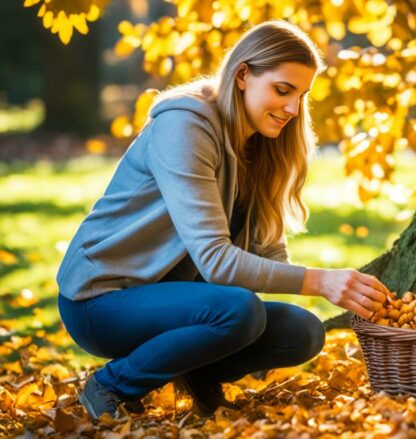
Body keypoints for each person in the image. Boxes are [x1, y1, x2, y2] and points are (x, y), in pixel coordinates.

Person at [56, 20, 390, 421]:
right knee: (240, 311)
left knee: (301, 331)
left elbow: (267, 256)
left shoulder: (260, 143)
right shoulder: (186, 125)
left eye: (301, 96)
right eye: (283, 90)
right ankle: (111, 384)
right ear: (244, 74)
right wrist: (322, 280)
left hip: (178, 299)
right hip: (102, 300)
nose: (291, 108)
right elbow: (216, 260)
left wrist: (346, 290)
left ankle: (197, 377)